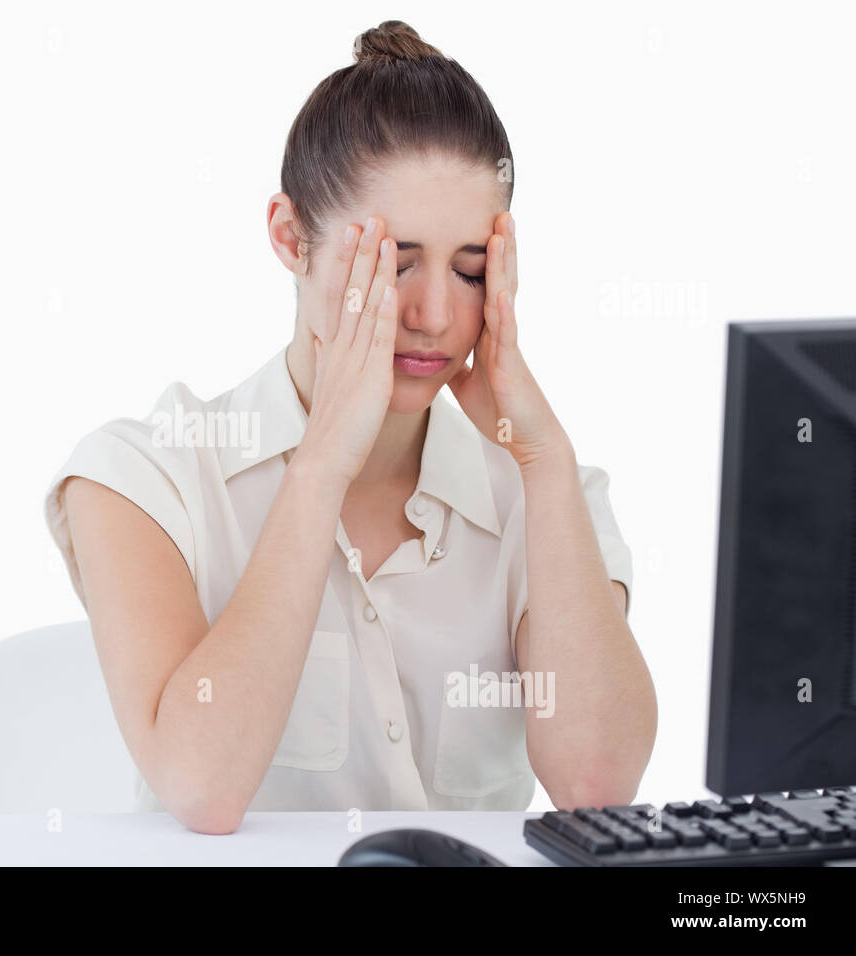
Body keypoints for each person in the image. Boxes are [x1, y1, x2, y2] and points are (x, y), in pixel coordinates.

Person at [43, 20, 656, 834]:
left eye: (471, 270)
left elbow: (598, 785)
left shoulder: (545, 496)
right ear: (291, 239)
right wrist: (322, 463)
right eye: (394, 263)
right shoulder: (141, 478)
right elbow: (201, 786)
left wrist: (542, 462)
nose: (434, 314)